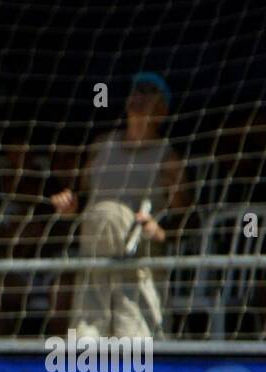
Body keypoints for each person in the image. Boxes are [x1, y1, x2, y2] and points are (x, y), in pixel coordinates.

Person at [51, 72, 190, 338]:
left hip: (138, 267)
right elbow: (81, 200)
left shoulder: (168, 158)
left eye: (149, 91)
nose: (139, 95)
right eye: (136, 89)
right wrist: (68, 205)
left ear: (162, 110)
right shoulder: (101, 146)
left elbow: (186, 220)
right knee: (85, 346)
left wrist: (159, 230)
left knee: (133, 351)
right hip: (93, 264)